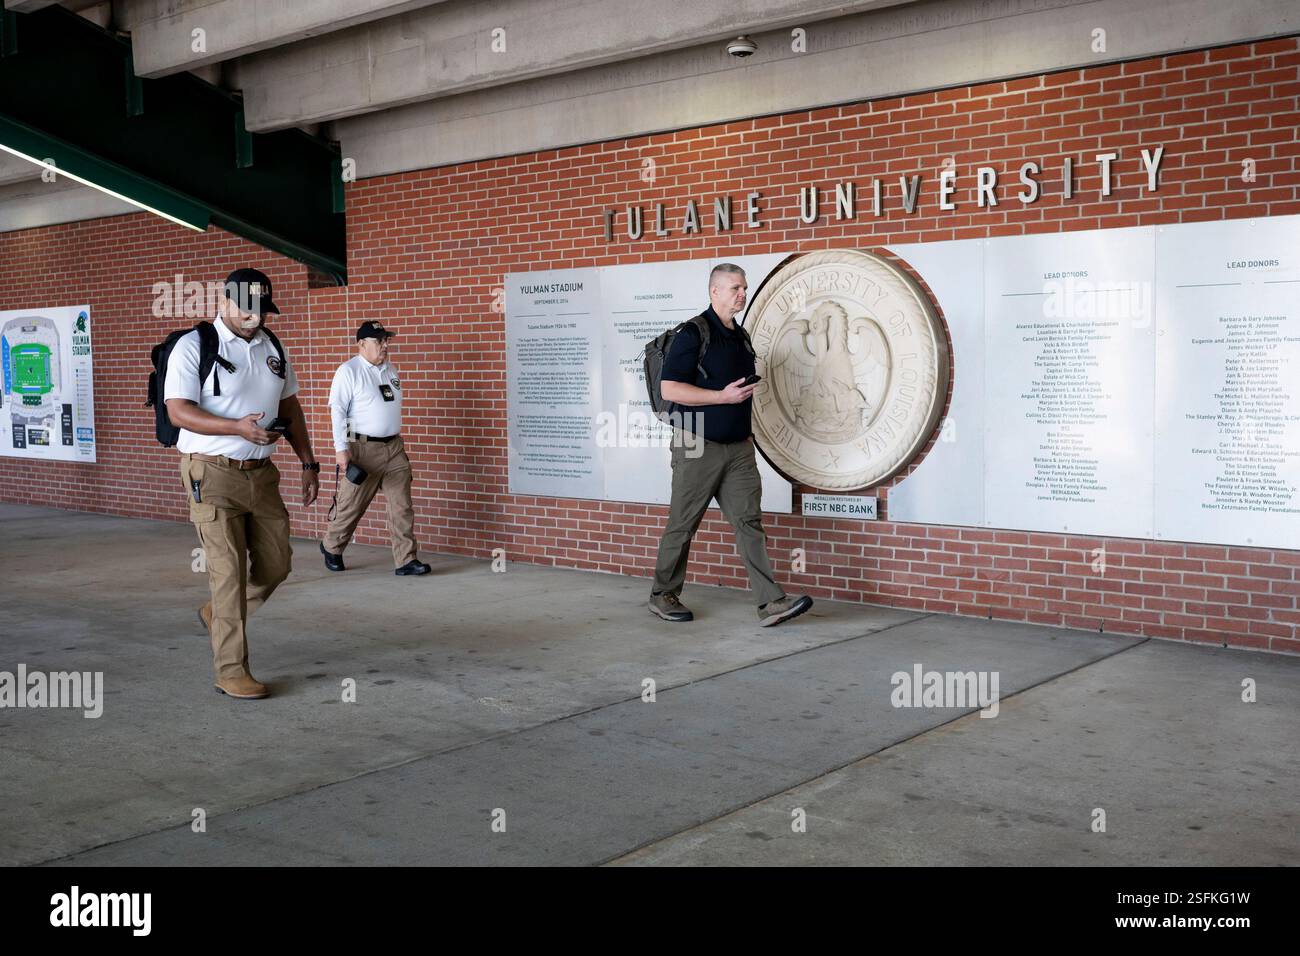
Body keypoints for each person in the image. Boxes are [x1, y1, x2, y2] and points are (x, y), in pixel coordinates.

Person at [163, 268, 320, 700]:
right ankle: (231, 670)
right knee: (227, 573)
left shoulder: (272, 346)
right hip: (210, 472)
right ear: (224, 303)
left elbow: (290, 406)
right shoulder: (193, 346)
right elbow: (178, 411)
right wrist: (235, 428)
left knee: (277, 565)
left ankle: (218, 614)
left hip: (262, 474)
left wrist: (308, 461)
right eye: (247, 310)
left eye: (262, 311)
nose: (255, 319)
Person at [649, 263, 813, 626]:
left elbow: (742, 392)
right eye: (735, 287)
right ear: (715, 291)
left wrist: (745, 429)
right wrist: (721, 399)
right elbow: (670, 389)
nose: (742, 293)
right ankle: (663, 594)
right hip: (696, 443)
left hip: (738, 447)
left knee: (749, 522)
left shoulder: (741, 337)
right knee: (684, 522)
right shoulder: (692, 333)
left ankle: (771, 602)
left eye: (744, 287)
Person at [319, 321, 430, 576]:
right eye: (379, 341)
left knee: (401, 506)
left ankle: (406, 560)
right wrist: (341, 449)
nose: (385, 345)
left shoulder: (390, 369)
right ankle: (331, 546)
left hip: (393, 448)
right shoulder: (349, 371)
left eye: (386, 340)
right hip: (362, 448)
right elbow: (337, 412)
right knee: (351, 506)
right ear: (361, 344)